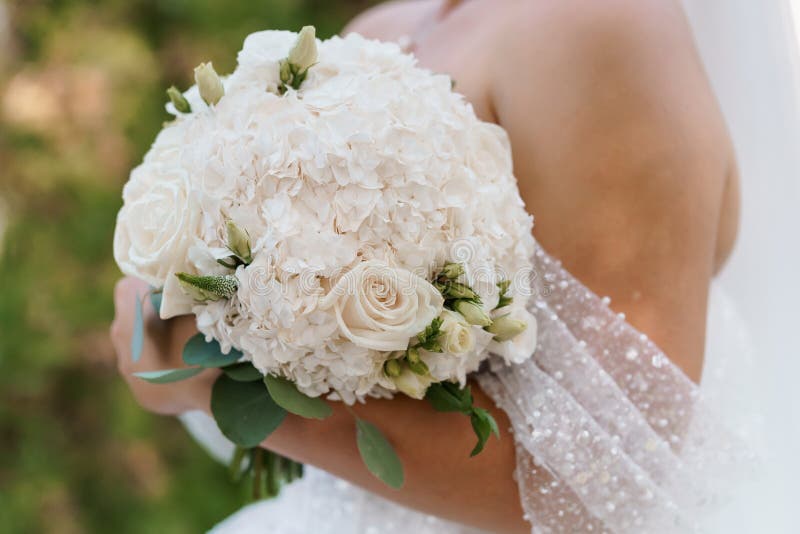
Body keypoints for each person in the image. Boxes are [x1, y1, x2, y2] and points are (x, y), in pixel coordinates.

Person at [110, 0, 800, 532]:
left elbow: (607, 486)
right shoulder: (388, 25)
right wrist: (232, 311)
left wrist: (200, 378)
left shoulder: (597, 26)